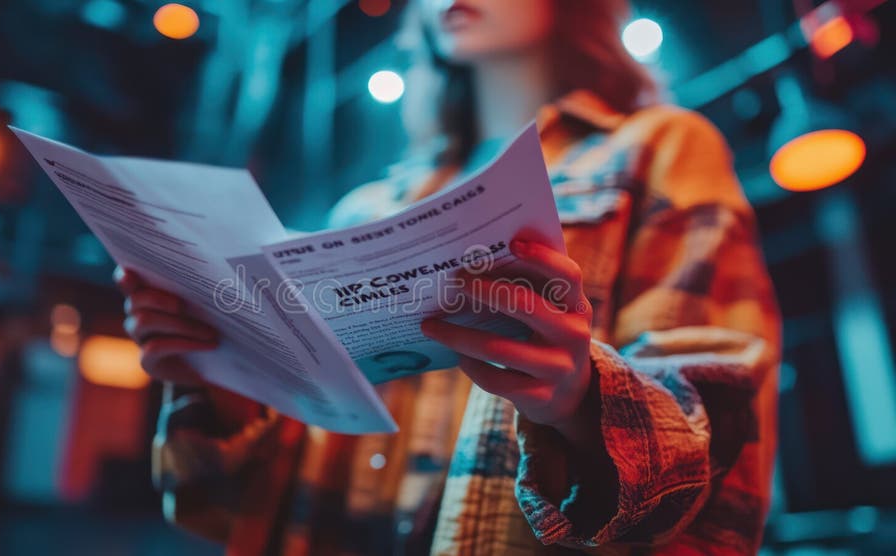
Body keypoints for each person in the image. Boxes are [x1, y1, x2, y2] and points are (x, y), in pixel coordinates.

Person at [115, 0, 781, 553]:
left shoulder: (662, 147)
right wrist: (218, 374)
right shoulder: (366, 208)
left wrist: (580, 399)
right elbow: (232, 511)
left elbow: (723, 421)